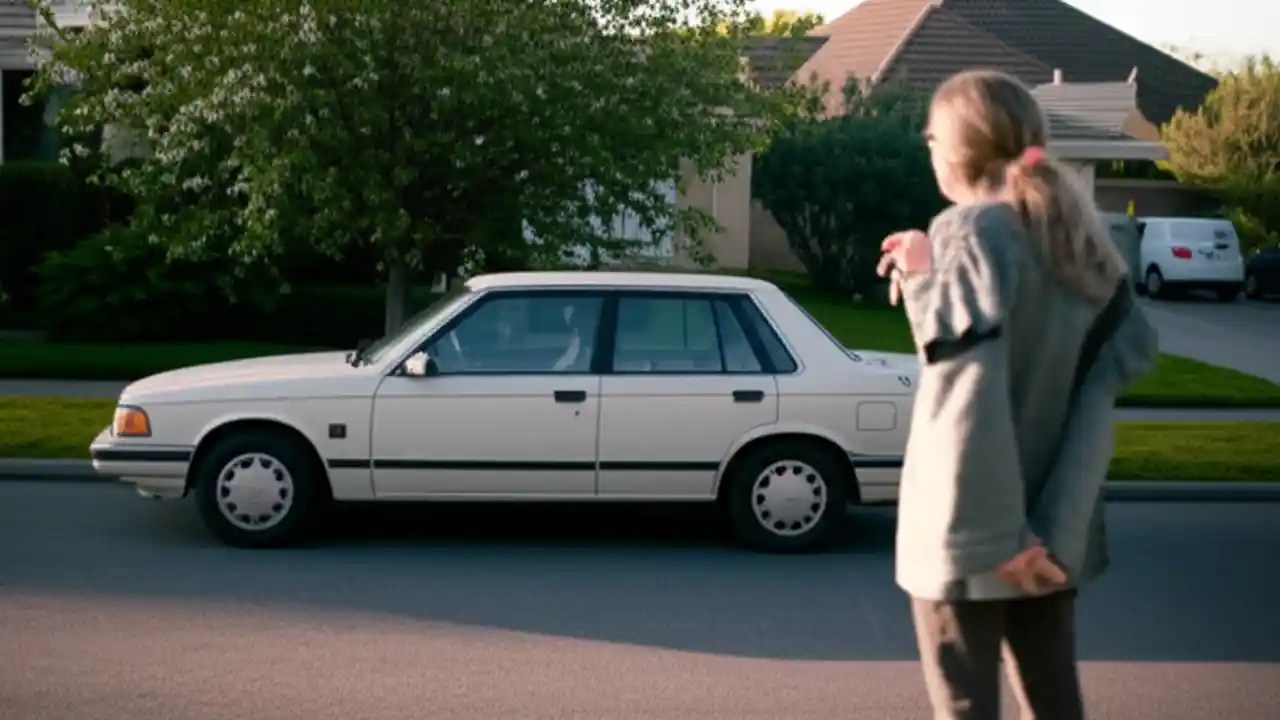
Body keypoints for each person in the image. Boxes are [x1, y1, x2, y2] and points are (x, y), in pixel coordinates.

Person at [876, 69, 1159, 719]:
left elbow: (965, 389)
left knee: (967, 708)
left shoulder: (966, 232)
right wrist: (1049, 538)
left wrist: (1006, 539)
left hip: (973, 535)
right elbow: (1097, 396)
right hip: (1055, 540)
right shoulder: (1087, 243)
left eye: (929, 137)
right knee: (1055, 704)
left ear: (954, 151)